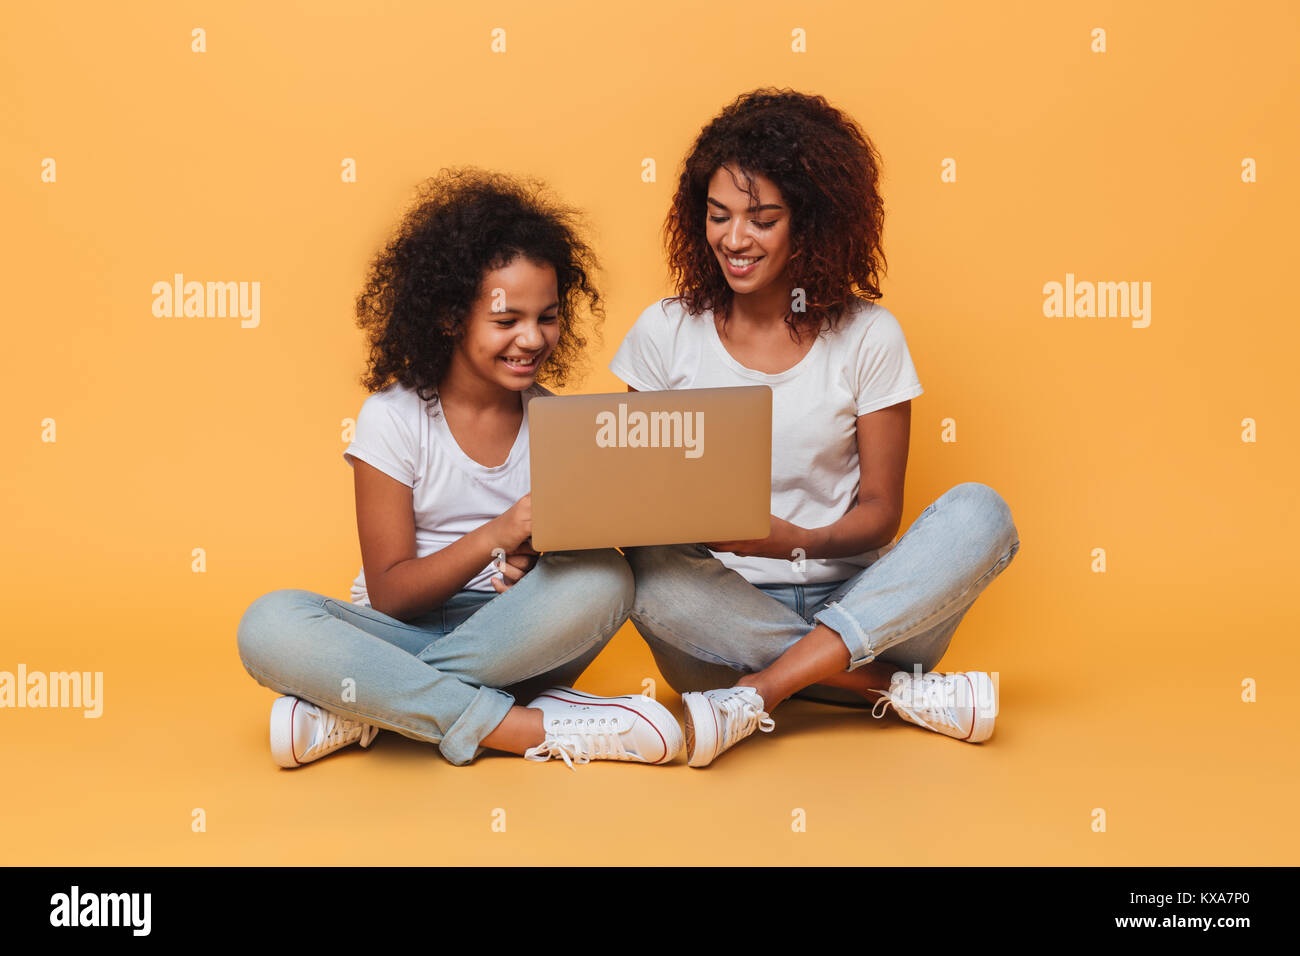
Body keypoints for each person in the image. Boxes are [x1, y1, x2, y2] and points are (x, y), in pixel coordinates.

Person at [609, 89, 1021, 767]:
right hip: (718, 618)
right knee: (645, 572)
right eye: (719, 216)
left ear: (813, 223)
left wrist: (794, 540)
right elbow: (635, 498)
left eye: (762, 219)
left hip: (868, 608)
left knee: (981, 512)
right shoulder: (664, 332)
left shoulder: (869, 337)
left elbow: (881, 514)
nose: (734, 239)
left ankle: (765, 690)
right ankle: (883, 690)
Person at [236, 168, 682, 770]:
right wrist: (496, 535)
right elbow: (391, 595)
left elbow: (554, 572)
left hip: (507, 636)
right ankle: (520, 725)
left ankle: (364, 706)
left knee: (605, 577)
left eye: (547, 316)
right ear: (449, 318)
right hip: (393, 631)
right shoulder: (393, 419)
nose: (532, 338)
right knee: (269, 622)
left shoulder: (555, 423)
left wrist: (534, 565)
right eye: (507, 320)